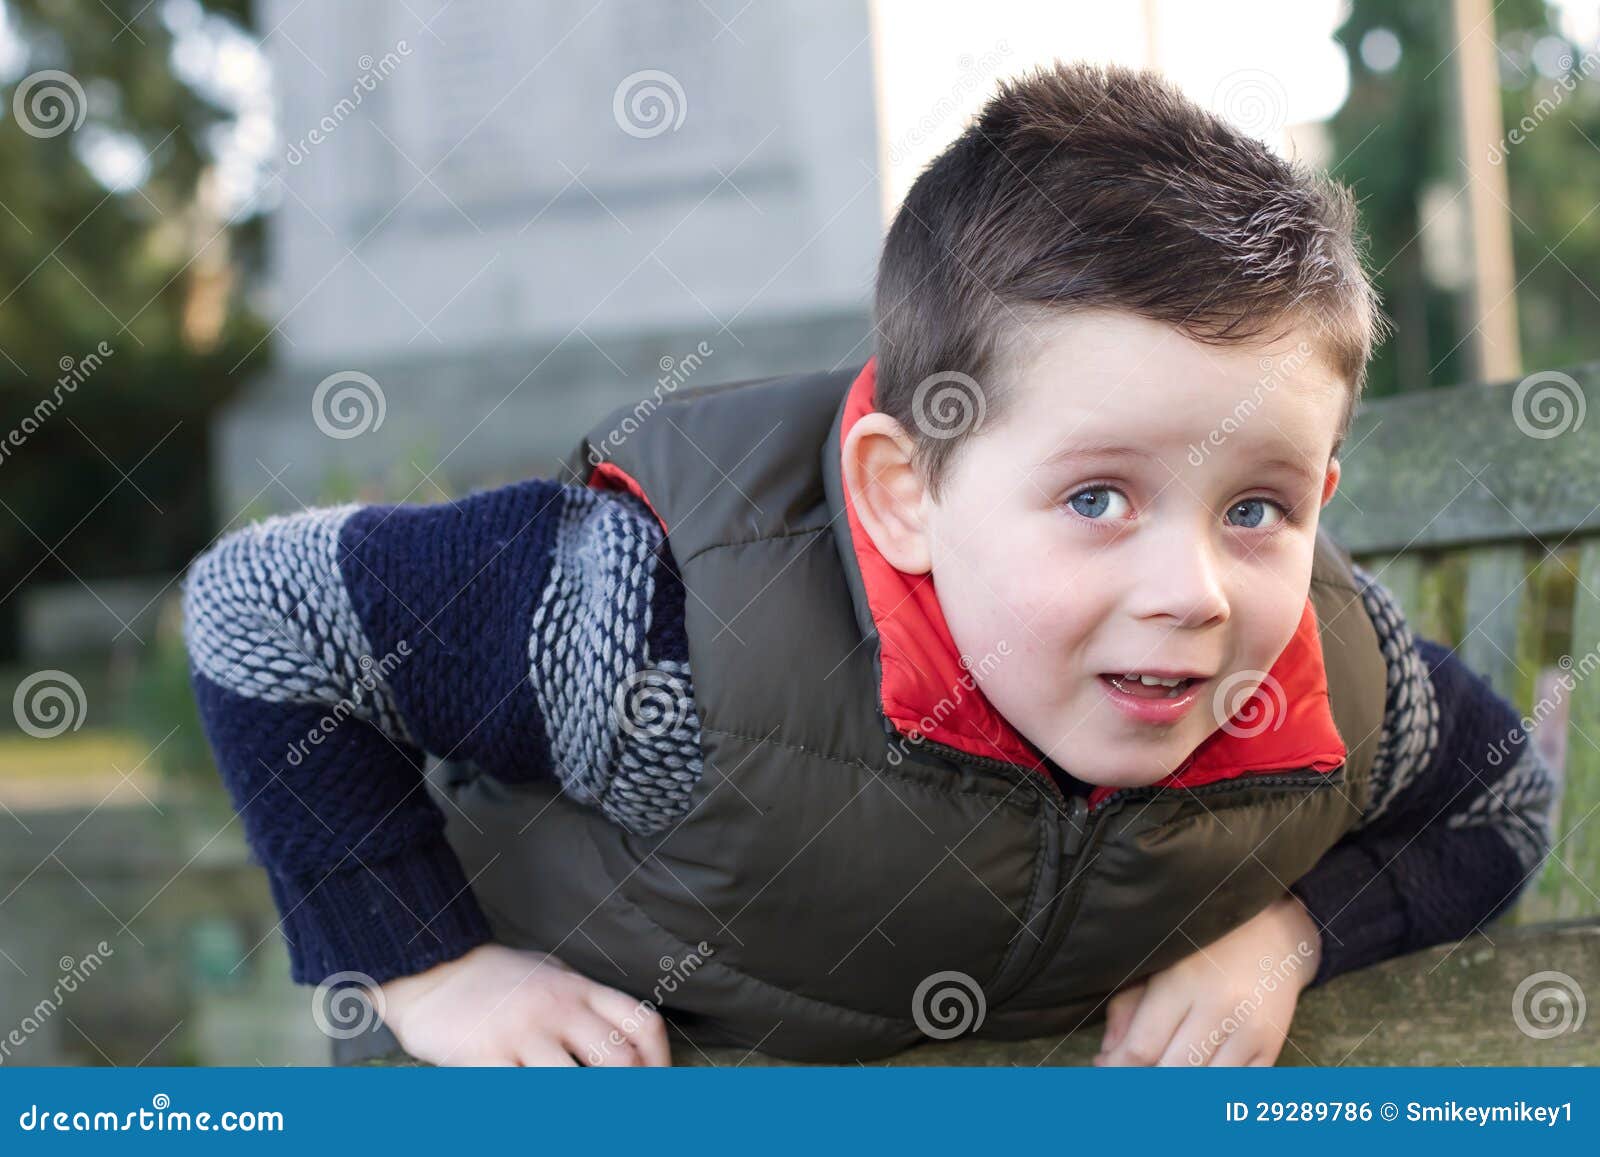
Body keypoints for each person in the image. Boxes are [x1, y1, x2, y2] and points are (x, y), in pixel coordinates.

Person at [180, 60, 1555, 1068]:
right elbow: (265, 612)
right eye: (1094, 496)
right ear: (907, 494)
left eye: (1256, 508)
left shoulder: (1331, 685)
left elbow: (1496, 798)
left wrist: (1291, 936)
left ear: (1323, 493)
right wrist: (432, 971)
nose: (1191, 588)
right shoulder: (657, 625)